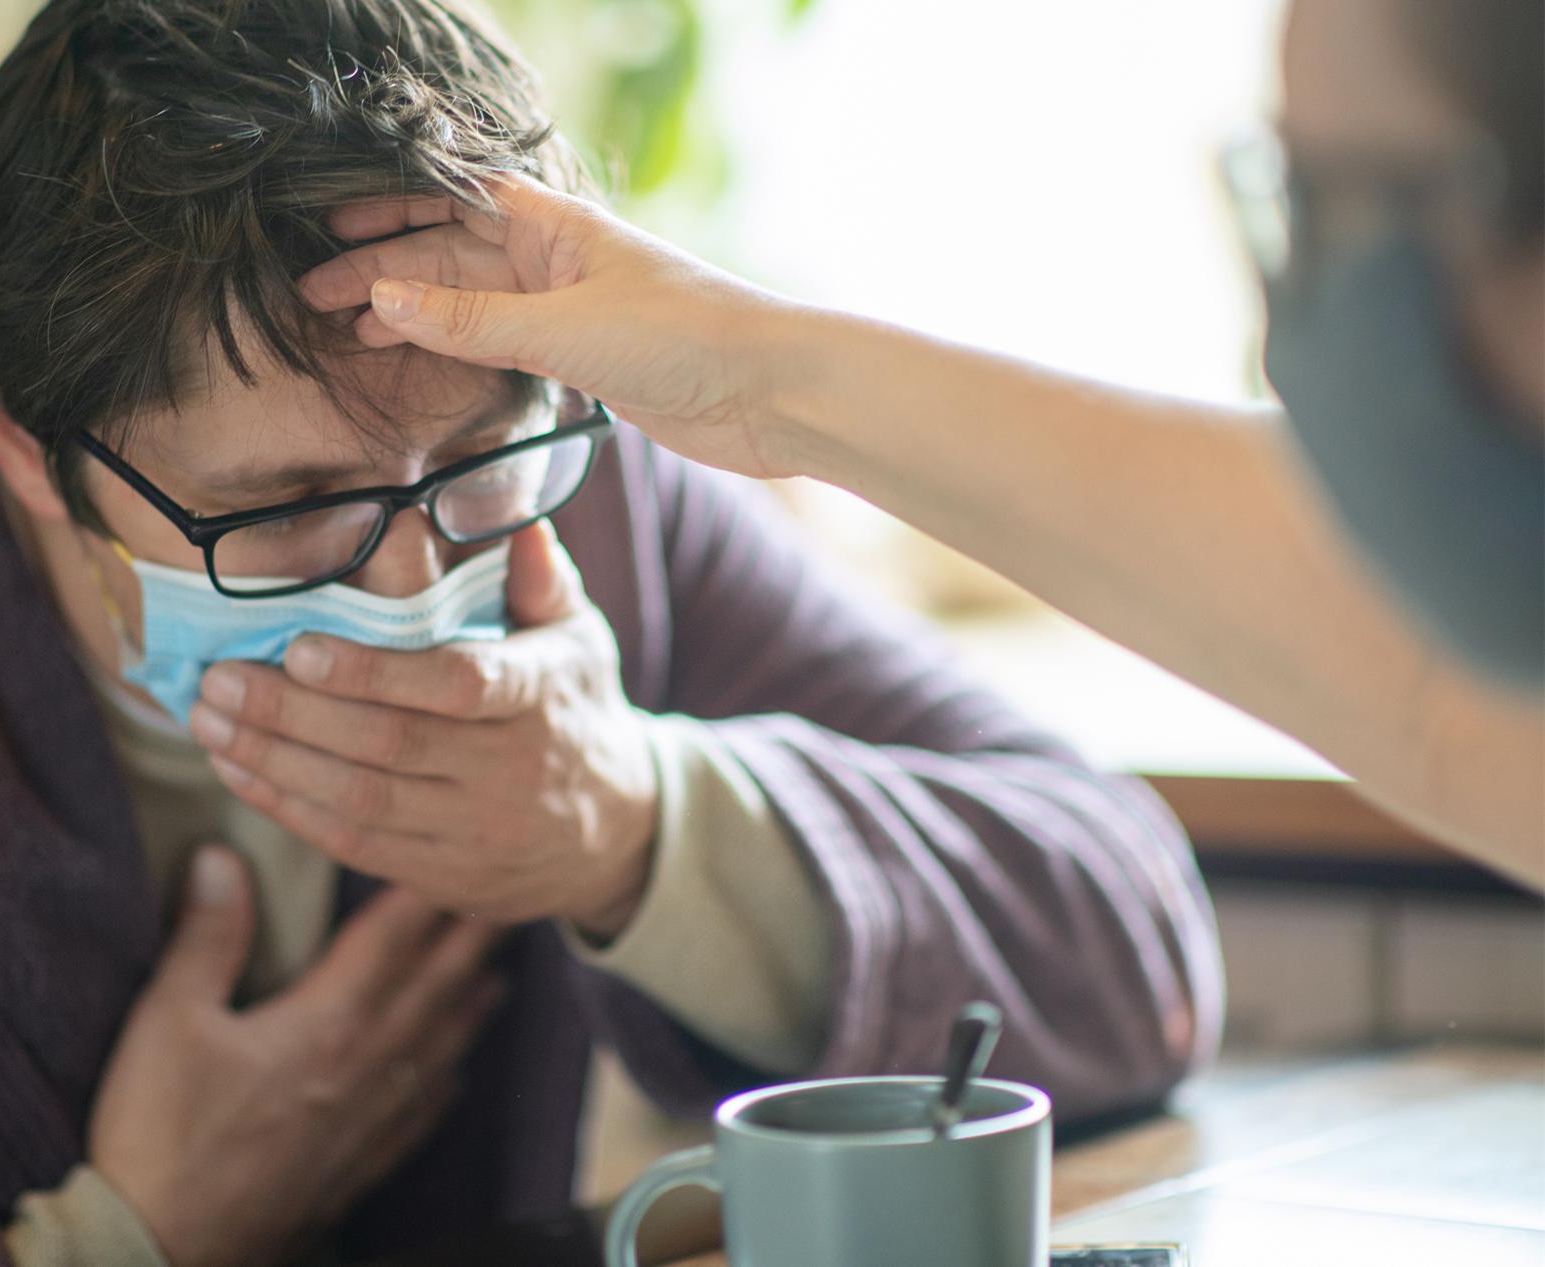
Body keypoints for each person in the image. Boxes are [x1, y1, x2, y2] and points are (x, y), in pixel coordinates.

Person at [0, 1, 1221, 1263]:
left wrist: (638, 823)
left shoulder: (556, 464)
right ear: (22, 436)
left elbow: (1130, 941)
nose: (419, 595)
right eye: (292, 508)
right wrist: (116, 1239)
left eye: (471, 461)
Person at [302, 0, 1545, 890]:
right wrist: (756, 379)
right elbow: (1430, 694)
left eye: (1333, 203)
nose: (1293, 332)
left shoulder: (611, 517)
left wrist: (647, 834)